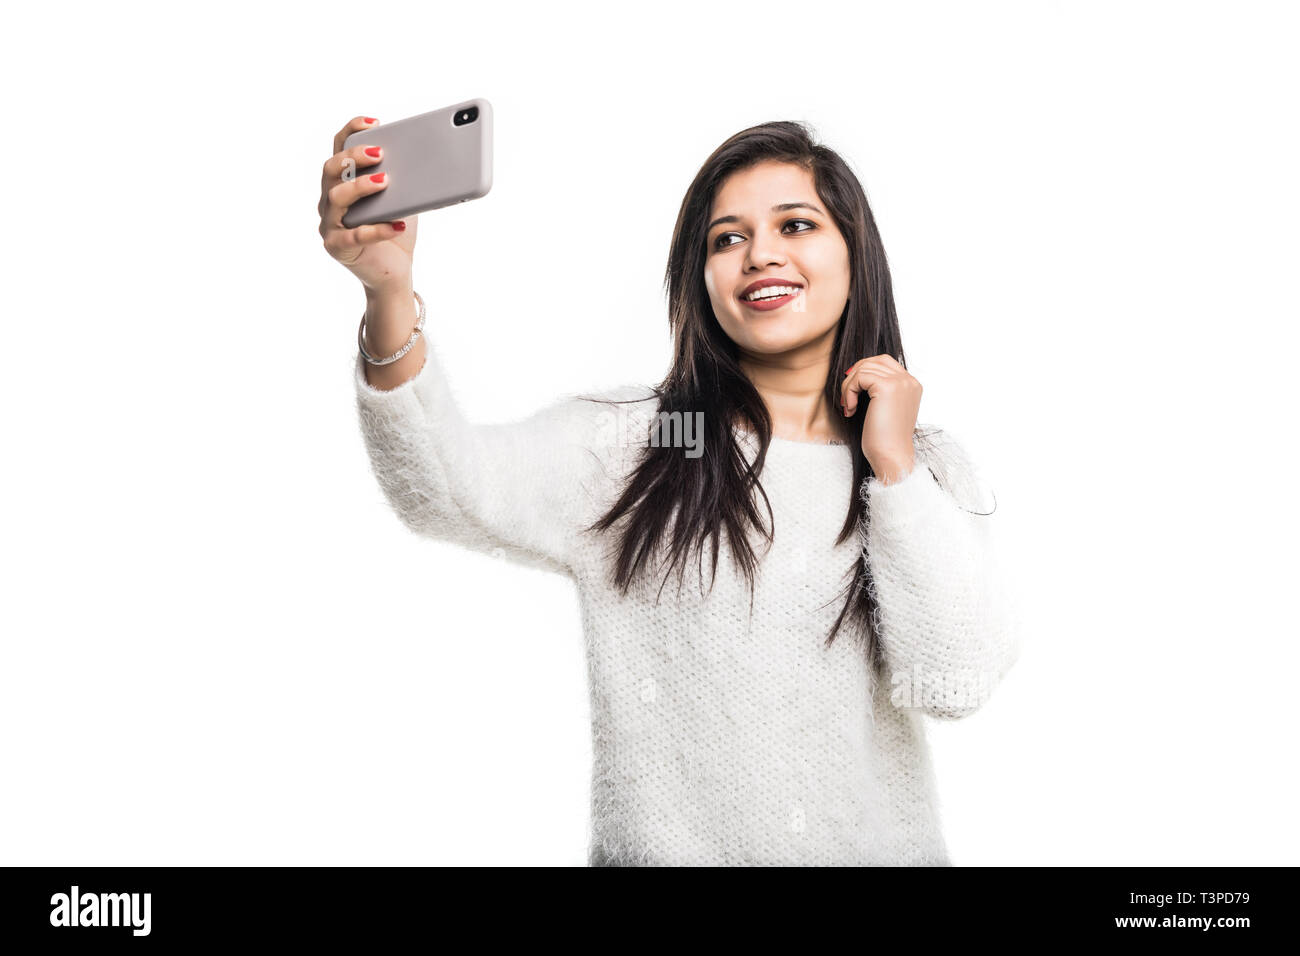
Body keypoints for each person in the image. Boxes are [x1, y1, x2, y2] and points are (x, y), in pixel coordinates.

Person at [318, 115, 1021, 866]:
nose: (761, 255)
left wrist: (894, 468)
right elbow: (444, 488)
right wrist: (389, 294)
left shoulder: (923, 470)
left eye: (796, 224)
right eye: (727, 238)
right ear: (700, 277)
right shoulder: (650, 444)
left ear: (856, 255)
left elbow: (956, 681)